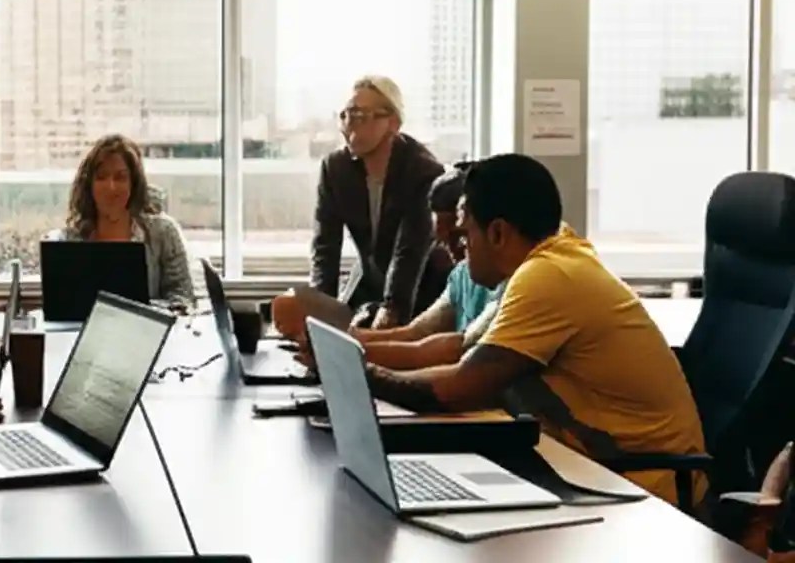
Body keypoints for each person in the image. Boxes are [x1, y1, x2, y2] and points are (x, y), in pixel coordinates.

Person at [358, 154, 706, 505]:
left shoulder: (548, 276)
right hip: (586, 465)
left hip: (645, 484)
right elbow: (461, 350)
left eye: (465, 236)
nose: (462, 251)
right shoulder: (551, 257)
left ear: (497, 233)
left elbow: (457, 388)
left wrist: (362, 376)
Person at [272, 75, 451, 338]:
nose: (349, 126)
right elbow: (325, 246)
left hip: (423, 289)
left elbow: (410, 252)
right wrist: (319, 314)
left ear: (393, 122)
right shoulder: (335, 168)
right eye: (345, 116)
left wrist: (392, 310)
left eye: (360, 116)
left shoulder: (423, 171)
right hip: (370, 283)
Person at [347, 165, 506, 371]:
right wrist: (350, 339)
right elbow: (416, 332)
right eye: (442, 241)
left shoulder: (513, 282)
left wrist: (353, 353)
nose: (454, 251)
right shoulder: (460, 274)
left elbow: (456, 348)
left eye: (460, 237)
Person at [46, 134, 195, 309]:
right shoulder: (69, 241)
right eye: (101, 177)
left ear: (134, 184)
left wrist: (152, 311)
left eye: (120, 177)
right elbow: (62, 305)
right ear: (89, 185)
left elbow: (183, 297)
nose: (111, 187)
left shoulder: (163, 233)